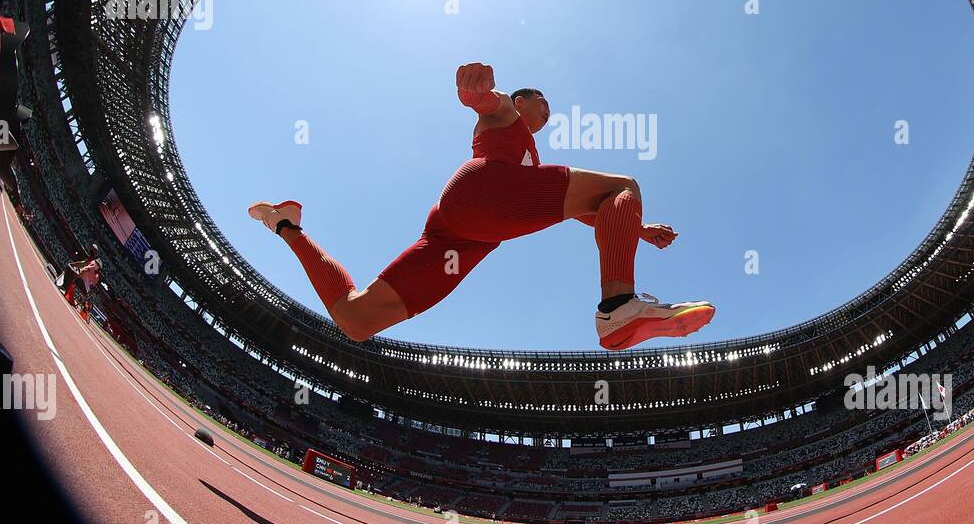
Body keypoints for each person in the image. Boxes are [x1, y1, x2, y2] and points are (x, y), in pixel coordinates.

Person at [250, 63, 715, 350]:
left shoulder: (535, 162)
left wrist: (635, 230)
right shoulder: (511, 118)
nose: (548, 112)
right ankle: (618, 306)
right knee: (625, 183)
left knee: (355, 319)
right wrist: (474, 92)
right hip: (485, 189)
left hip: (459, 235)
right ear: (522, 101)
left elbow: (581, 212)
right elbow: (487, 104)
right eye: (543, 103)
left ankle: (288, 225)